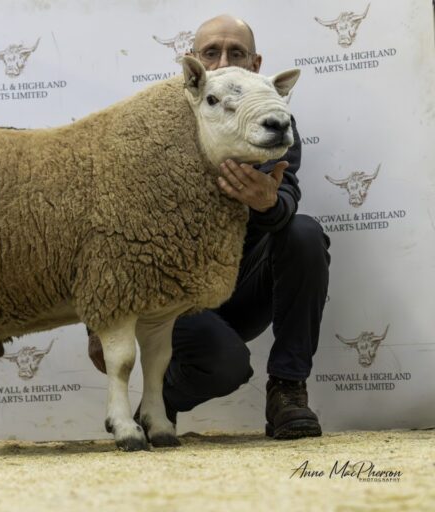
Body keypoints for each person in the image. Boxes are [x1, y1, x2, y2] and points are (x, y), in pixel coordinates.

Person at [88, 14, 331, 439]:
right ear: (193, 65)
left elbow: (286, 197)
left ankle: (288, 389)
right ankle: (158, 402)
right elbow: (113, 221)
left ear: (256, 64)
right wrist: (98, 320)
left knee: (304, 233)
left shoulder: (271, 122)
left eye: (236, 53)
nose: (223, 62)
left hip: (239, 285)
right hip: (173, 295)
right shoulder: (156, 127)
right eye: (211, 53)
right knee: (227, 365)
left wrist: (268, 203)